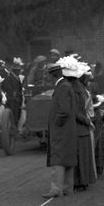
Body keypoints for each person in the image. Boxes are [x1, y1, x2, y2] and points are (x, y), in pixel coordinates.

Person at [44, 57, 84, 198]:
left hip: (61, 129)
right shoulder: (66, 86)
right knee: (67, 157)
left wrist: (56, 123)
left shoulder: (62, 87)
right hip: (68, 129)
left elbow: (64, 110)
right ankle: (67, 188)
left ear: (53, 75)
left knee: (58, 158)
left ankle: (56, 189)